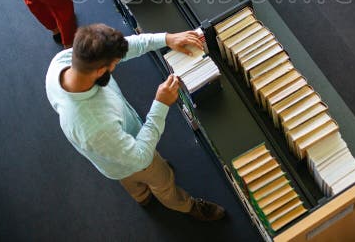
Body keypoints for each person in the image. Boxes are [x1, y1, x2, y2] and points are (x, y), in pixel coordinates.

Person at [45, 24, 226, 221]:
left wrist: (167, 38)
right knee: (162, 181)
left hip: (111, 158)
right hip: (135, 160)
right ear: (99, 71)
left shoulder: (63, 62)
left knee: (129, 182)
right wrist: (161, 104)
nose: (117, 64)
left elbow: (125, 47)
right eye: (115, 62)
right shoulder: (94, 124)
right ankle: (185, 205)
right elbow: (140, 158)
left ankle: (142, 197)